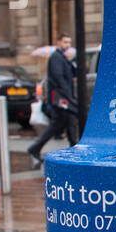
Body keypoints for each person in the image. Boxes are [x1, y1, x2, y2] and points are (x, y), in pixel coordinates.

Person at [27, 33, 80, 168]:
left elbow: (70, 75)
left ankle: (73, 151)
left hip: (63, 98)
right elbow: (59, 78)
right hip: (61, 99)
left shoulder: (63, 58)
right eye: (65, 42)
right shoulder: (56, 57)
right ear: (58, 42)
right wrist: (69, 97)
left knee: (66, 124)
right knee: (66, 122)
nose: (67, 45)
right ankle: (74, 151)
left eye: (69, 42)